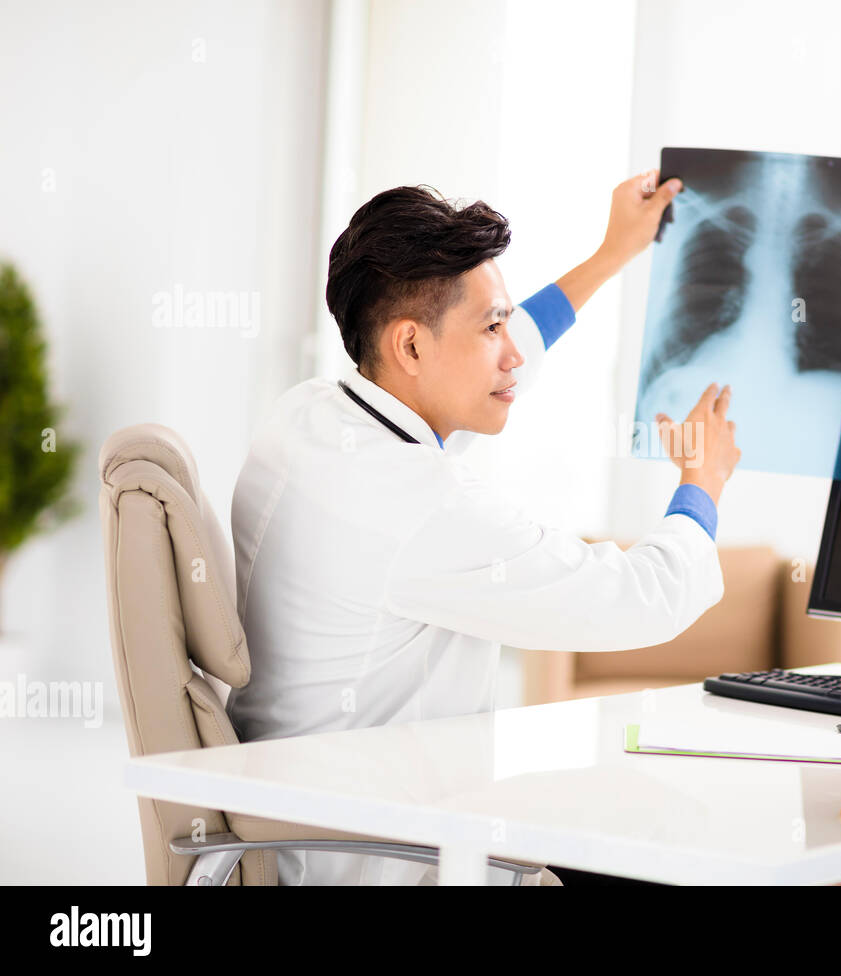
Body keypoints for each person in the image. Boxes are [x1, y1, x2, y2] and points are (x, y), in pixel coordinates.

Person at [225, 171, 741, 885]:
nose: (513, 352)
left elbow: (496, 357)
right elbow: (640, 599)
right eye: (491, 326)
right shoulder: (421, 505)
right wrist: (702, 484)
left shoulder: (316, 415)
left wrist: (613, 253)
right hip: (376, 851)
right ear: (409, 346)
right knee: (672, 845)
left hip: (302, 814)